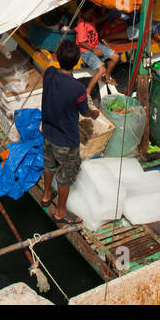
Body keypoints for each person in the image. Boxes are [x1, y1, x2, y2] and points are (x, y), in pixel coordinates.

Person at [39, 40, 107, 223]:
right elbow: (84, 111)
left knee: (49, 165)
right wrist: (93, 113)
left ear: (57, 57)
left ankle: (46, 195)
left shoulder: (49, 73)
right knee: (65, 177)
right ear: (77, 61)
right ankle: (60, 212)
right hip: (66, 140)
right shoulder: (78, 89)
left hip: (48, 133)